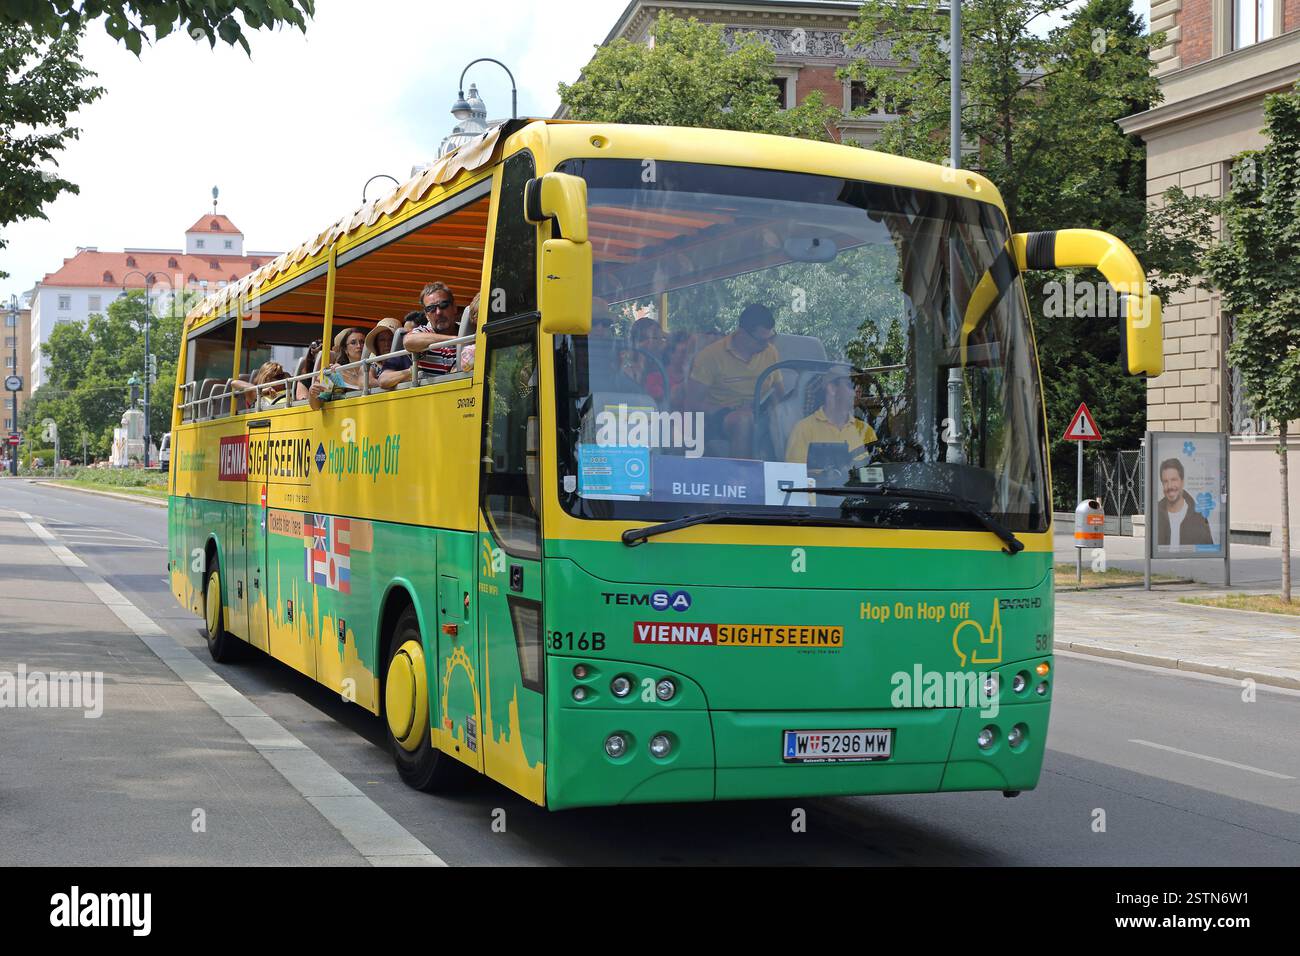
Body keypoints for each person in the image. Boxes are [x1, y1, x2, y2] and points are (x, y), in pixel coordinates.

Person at [686, 303, 786, 457]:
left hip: (762, 415)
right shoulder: (710, 356)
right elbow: (691, 405)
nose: (767, 345)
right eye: (761, 341)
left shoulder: (770, 352)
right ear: (742, 334)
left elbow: (779, 395)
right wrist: (729, 408)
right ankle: (741, 477)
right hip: (722, 417)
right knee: (743, 420)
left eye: (771, 339)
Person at [785, 364, 877, 471]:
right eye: (852, 384)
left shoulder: (866, 431)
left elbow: (875, 477)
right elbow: (795, 478)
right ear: (832, 388)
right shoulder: (803, 430)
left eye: (860, 386)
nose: (858, 390)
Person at [402, 281, 461, 378]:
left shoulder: (468, 331)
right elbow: (408, 341)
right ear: (426, 315)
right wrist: (455, 339)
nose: (438, 312)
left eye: (443, 305)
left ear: (454, 307)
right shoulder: (423, 332)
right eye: (431, 308)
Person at [1156, 457, 1214, 547]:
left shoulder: (1198, 516)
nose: (1170, 486)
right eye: (1165, 481)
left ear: (1182, 482)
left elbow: (1208, 549)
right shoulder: (1155, 514)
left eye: (1174, 480)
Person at [309, 327, 365, 409]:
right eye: (353, 343)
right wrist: (312, 394)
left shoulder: (374, 367)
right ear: (345, 349)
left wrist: (345, 374)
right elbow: (316, 406)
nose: (359, 346)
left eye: (362, 342)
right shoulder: (333, 372)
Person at [623, 316, 668, 402]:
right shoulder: (628, 371)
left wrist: (669, 338)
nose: (649, 343)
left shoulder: (667, 369)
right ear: (633, 343)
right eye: (642, 339)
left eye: (655, 338)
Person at [364, 317, 408, 390]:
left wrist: (390, 380)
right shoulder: (372, 364)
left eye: (391, 339)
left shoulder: (408, 359)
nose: (387, 344)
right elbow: (365, 382)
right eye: (382, 340)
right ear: (376, 343)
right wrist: (387, 382)